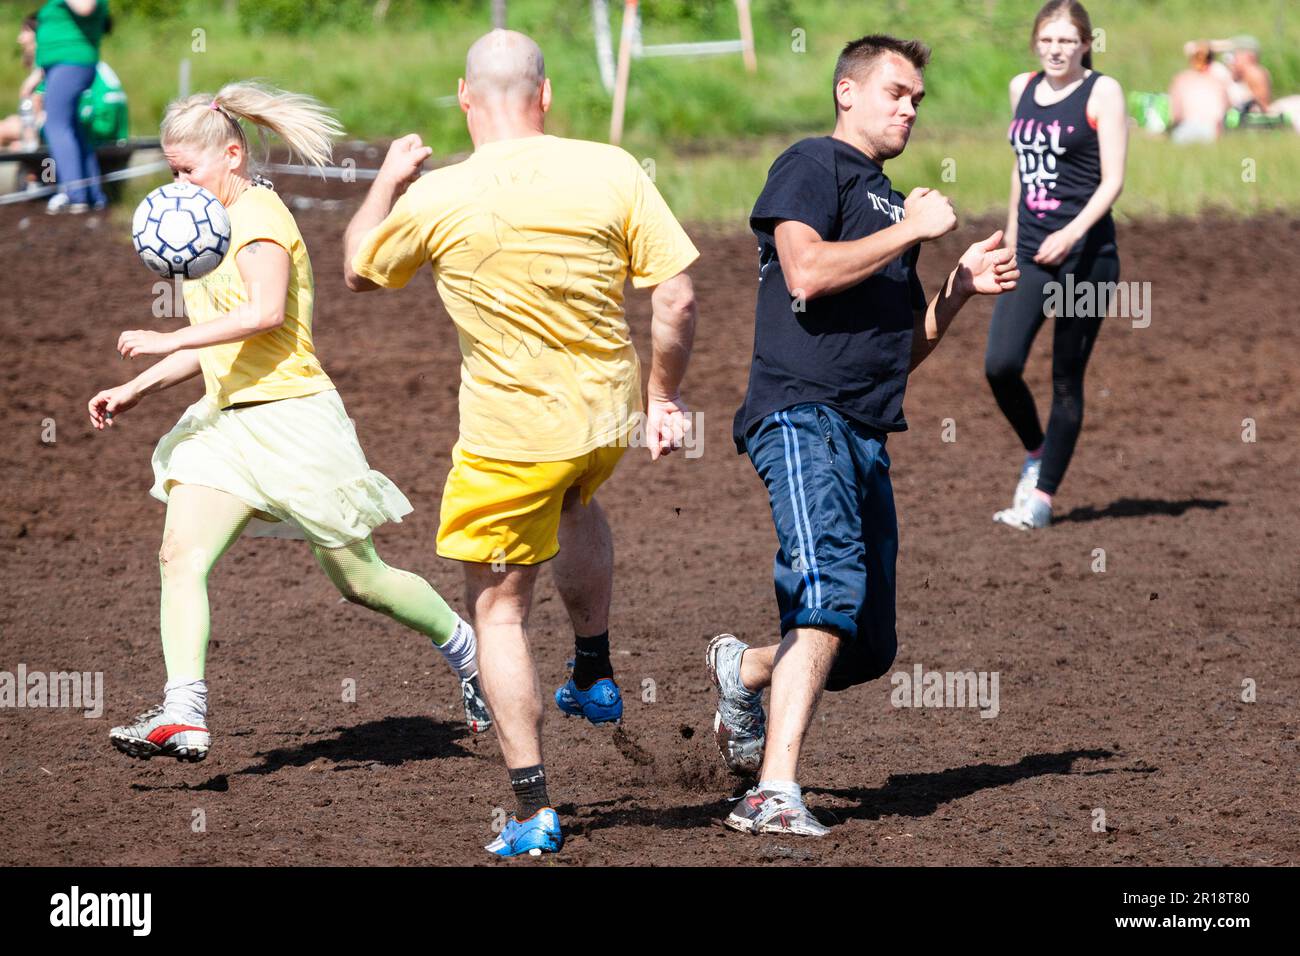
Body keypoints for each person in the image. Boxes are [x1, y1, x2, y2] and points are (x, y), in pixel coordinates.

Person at [343, 30, 699, 857]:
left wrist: (387, 182)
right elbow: (676, 298)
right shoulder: (614, 167)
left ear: (465, 99)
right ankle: (596, 669)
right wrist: (663, 398)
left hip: (510, 438)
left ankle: (535, 808)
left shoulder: (437, 195)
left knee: (498, 614)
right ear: (545, 97)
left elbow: (360, 268)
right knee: (577, 496)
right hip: (607, 418)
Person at [88, 82, 490, 765]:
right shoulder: (204, 232)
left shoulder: (260, 215)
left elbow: (265, 313)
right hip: (226, 427)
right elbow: (215, 339)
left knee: (361, 581)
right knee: (178, 556)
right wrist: (138, 385)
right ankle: (184, 710)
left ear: (233, 155)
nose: (177, 185)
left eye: (186, 171)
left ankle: (471, 652)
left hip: (294, 420)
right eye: (170, 171)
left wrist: (165, 342)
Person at [708, 34, 1020, 837]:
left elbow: (898, 344)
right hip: (800, 413)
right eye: (895, 92)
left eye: (918, 98)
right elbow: (806, 272)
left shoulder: (885, 200)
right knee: (829, 591)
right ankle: (772, 792)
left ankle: (743, 670)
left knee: (870, 645)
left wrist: (956, 288)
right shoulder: (811, 164)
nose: (910, 108)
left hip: (864, 430)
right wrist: (913, 233)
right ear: (847, 92)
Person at [984, 0, 1126, 530]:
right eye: (1048, 39)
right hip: (1032, 254)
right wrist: (1012, 241)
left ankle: (1040, 501)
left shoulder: (1101, 92)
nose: (1057, 49)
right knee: (999, 365)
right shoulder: (1022, 88)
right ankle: (1037, 450)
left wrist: (1071, 233)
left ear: (1086, 43)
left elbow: (1112, 181)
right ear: (1036, 43)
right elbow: (1021, 173)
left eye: (1067, 40)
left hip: (1086, 258)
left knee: (1065, 378)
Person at [35, 0, 110, 212]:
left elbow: (86, 7)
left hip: (72, 61)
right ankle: (92, 194)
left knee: (55, 125)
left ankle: (74, 195)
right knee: (72, 128)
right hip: (63, 62)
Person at [1168, 42, 1229, 144]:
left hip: (1186, 127)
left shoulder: (1181, 79)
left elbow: (1176, 113)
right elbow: (1223, 110)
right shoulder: (1218, 81)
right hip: (1210, 129)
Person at [0, 14, 43, 151]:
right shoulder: (40, 67)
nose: (20, 39)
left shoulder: (45, 69)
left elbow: (36, 112)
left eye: (25, 31)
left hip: (47, 128)